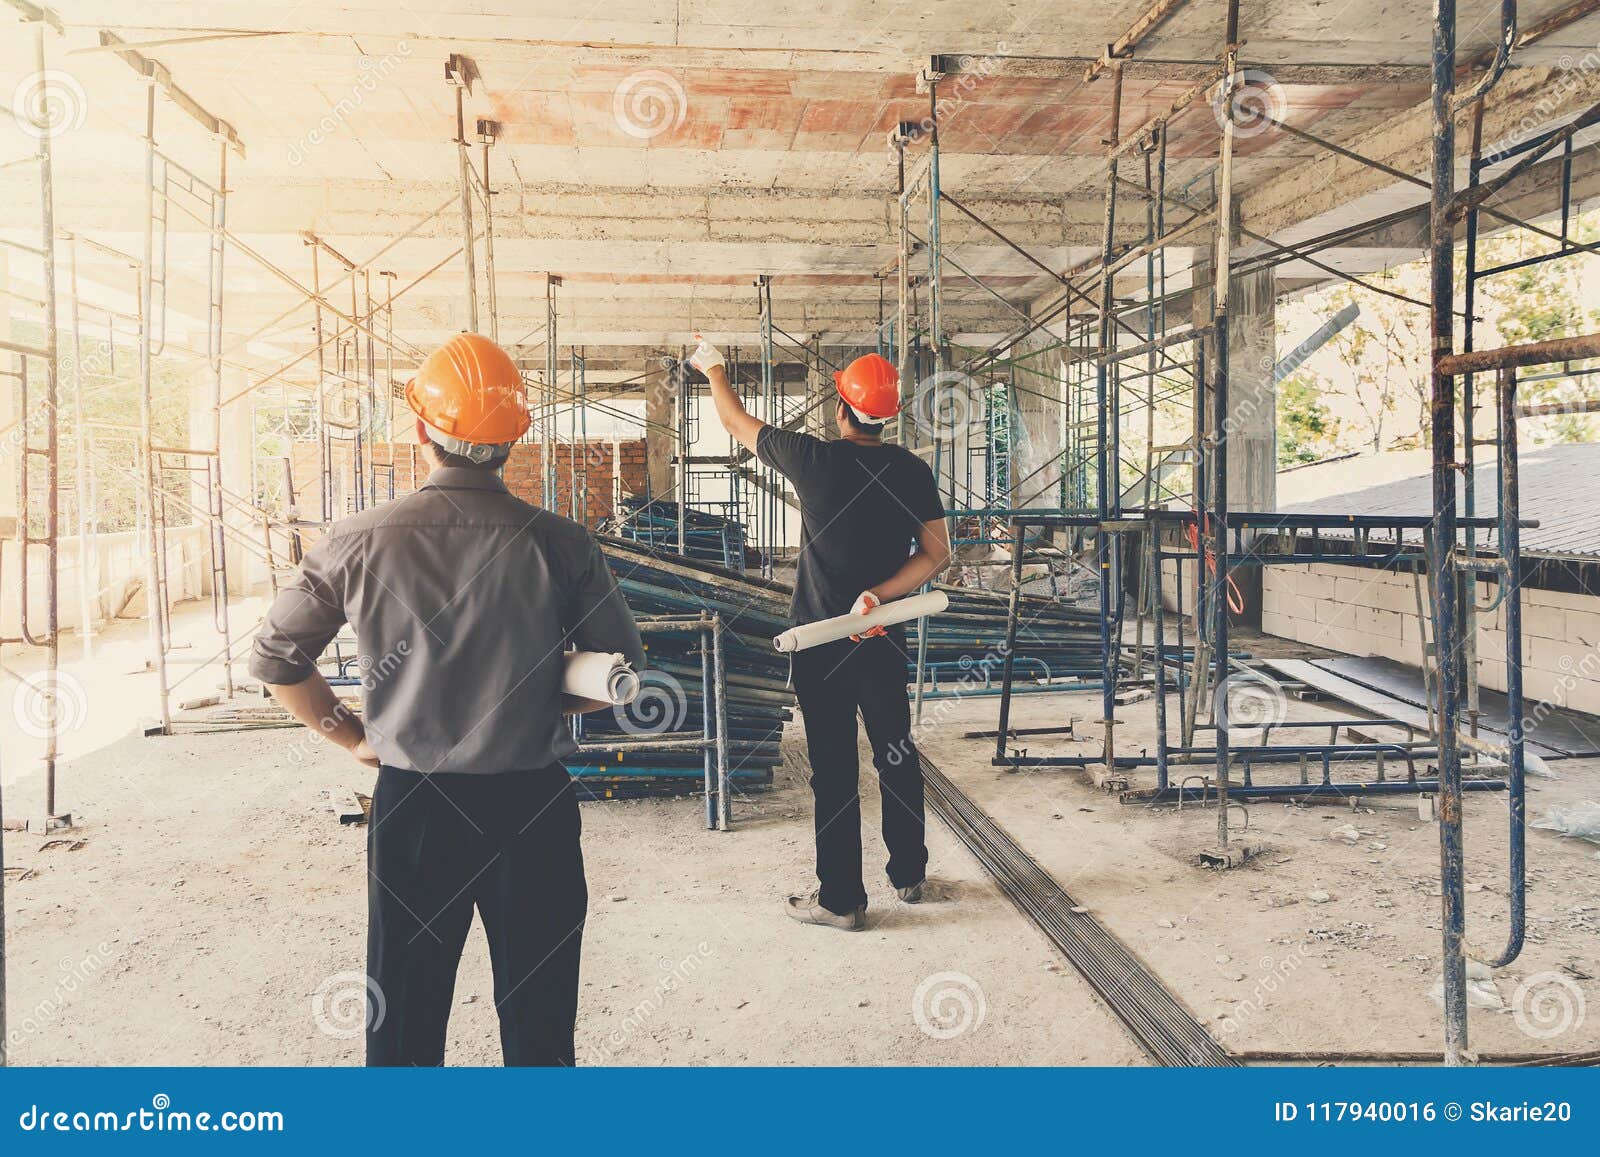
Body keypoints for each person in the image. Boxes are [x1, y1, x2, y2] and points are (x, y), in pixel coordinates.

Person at [250, 332, 645, 1065]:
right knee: (540, 1020)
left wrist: (353, 735)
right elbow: (618, 672)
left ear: (424, 429)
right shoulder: (561, 543)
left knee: (402, 1019)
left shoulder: (359, 539)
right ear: (515, 440)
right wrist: (525, 703)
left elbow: (276, 657)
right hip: (532, 808)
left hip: (417, 810)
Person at [690, 339, 950, 931]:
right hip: (881, 633)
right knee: (896, 753)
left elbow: (732, 419)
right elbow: (936, 555)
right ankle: (908, 873)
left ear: (841, 409)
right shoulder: (911, 470)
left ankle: (841, 901)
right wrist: (882, 597)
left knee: (833, 768)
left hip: (818, 642)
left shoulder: (812, 460)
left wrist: (713, 367)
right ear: (890, 417)